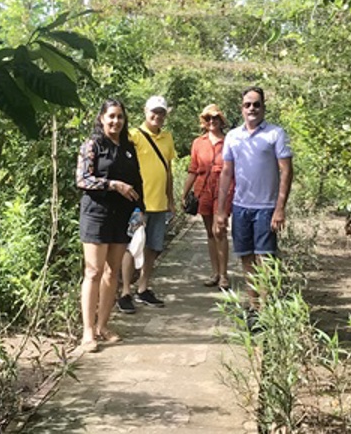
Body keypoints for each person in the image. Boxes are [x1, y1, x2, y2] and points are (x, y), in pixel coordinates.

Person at [214, 87, 293, 312]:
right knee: (246, 257)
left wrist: (280, 208)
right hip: (241, 207)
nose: (252, 108)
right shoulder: (233, 136)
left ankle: (266, 310)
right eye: (247, 105)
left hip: (266, 208)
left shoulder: (276, 134)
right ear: (241, 108)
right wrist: (221, 210)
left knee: (265, 259)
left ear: (263, 107)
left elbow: (286, 171)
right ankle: (253, 307)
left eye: (256, 104)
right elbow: (226, 173)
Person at [75, 99, 144, 353]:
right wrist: (112, 185)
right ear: (102, 118)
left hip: (122, 216)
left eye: (120, 117)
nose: (116, 121)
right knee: (93, 271)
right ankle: (88, 331)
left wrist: (140, 211)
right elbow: (82, 179)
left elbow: (138, 182)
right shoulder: (92, 145)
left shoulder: (128, 148)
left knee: (112, 272)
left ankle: (103, 326)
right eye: (111, 116)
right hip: (96, 213)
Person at [118, 95, 175, 313]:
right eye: (154, 112)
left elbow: (168, 171)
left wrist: (170, 199)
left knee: (153, 247)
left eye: (161, 112)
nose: (157, 116)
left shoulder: (167, 138)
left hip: (159, 203)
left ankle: (143, 287)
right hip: (137, 204)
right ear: (145, 111)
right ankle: (125, 292)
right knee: (132, 247)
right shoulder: (133, 136)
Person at [184, 103, 232, 289]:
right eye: (208, 118)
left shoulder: (229, 141)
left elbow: (234, 169)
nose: (212, 121)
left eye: (215, 118)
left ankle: (224, 275)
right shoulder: (198, 143)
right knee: (210, 233)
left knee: (219, 230)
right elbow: (193, 169)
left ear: (221, 120)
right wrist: (185, 193)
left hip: (223, 189)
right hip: (203, 189)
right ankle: (215, 273)